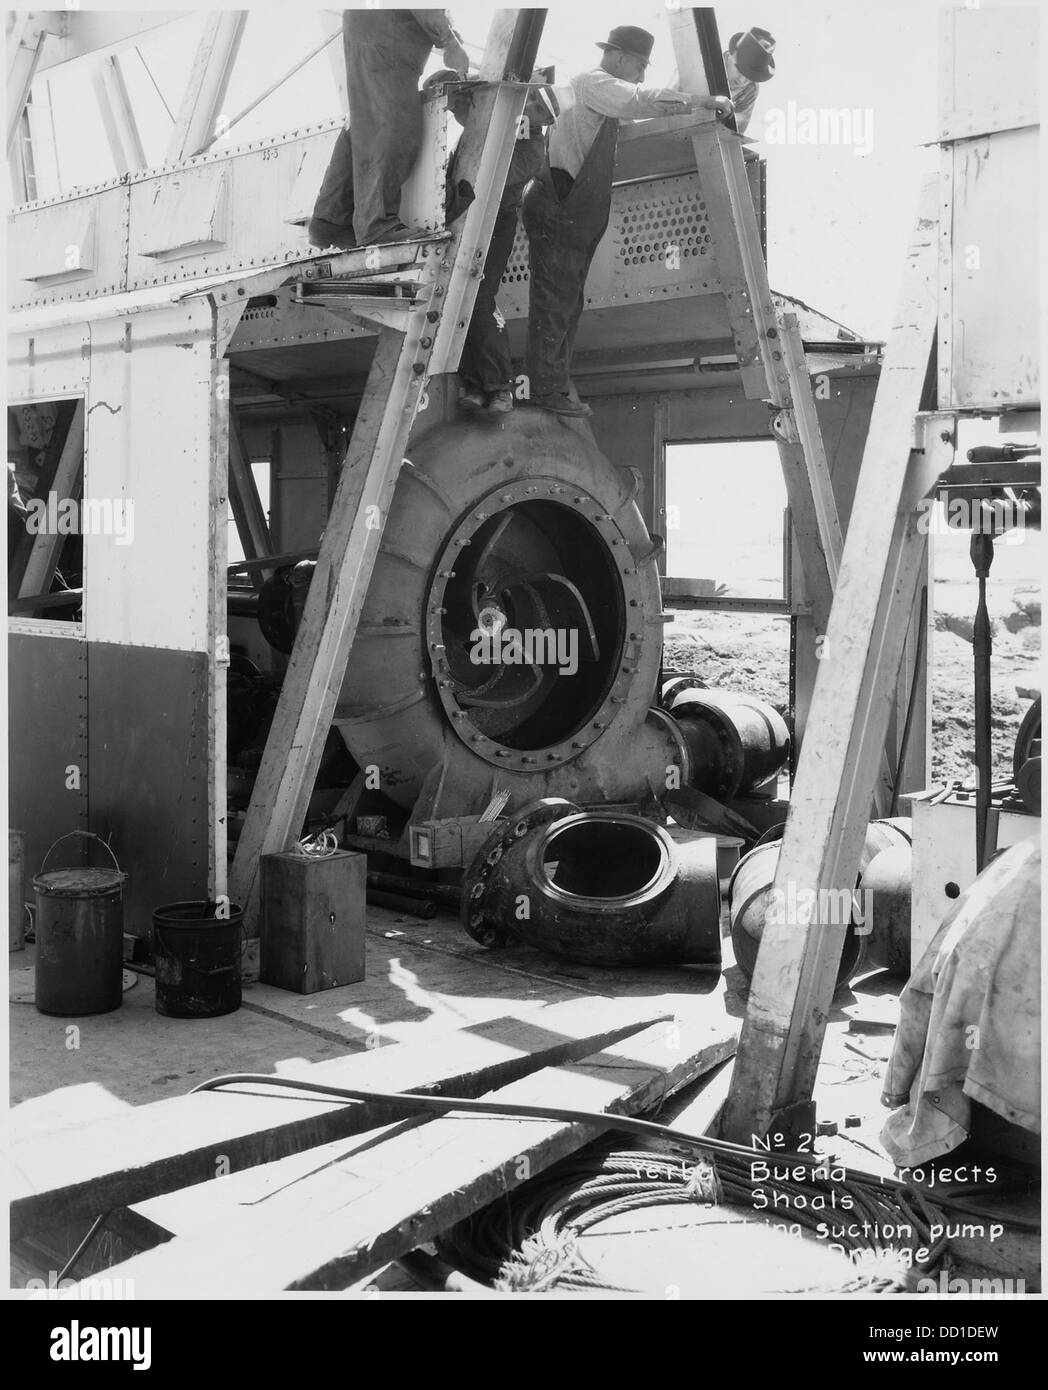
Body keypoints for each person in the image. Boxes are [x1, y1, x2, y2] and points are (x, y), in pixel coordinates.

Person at [522, 25, 731, 417]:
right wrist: (703, 101)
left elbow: (634, 107)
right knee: (555, 301)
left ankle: (551, 387)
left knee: (566, 301)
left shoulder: (601, 98)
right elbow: (640, 99)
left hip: (571, 210)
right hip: (561, 206)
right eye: (639, 65)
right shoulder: (594, 83)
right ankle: (545, 392)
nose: (641, 74)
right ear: (617, 57)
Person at [425, 69, 556, 414]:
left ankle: (499, 387)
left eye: (540, 112)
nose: (533, 112)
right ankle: (475, 384)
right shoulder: (491, 129)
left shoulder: (530, 150)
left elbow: (487, 179)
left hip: (495, 223)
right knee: (460, 301)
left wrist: (466, 104)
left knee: (480, 297)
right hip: (470, 219)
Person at [308, 9, 470, 250]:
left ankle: (331, 220)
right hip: (388, 41)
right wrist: (449, 42)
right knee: (395, 127)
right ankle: (376, 225)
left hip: (370, 29)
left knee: (366, 121)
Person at [722, 27, 776, 135]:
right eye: (740, 70)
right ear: (729, 56)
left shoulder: (750, 89)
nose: (742, 80)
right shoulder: (703, 61)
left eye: (749, 76)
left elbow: (737, 131)